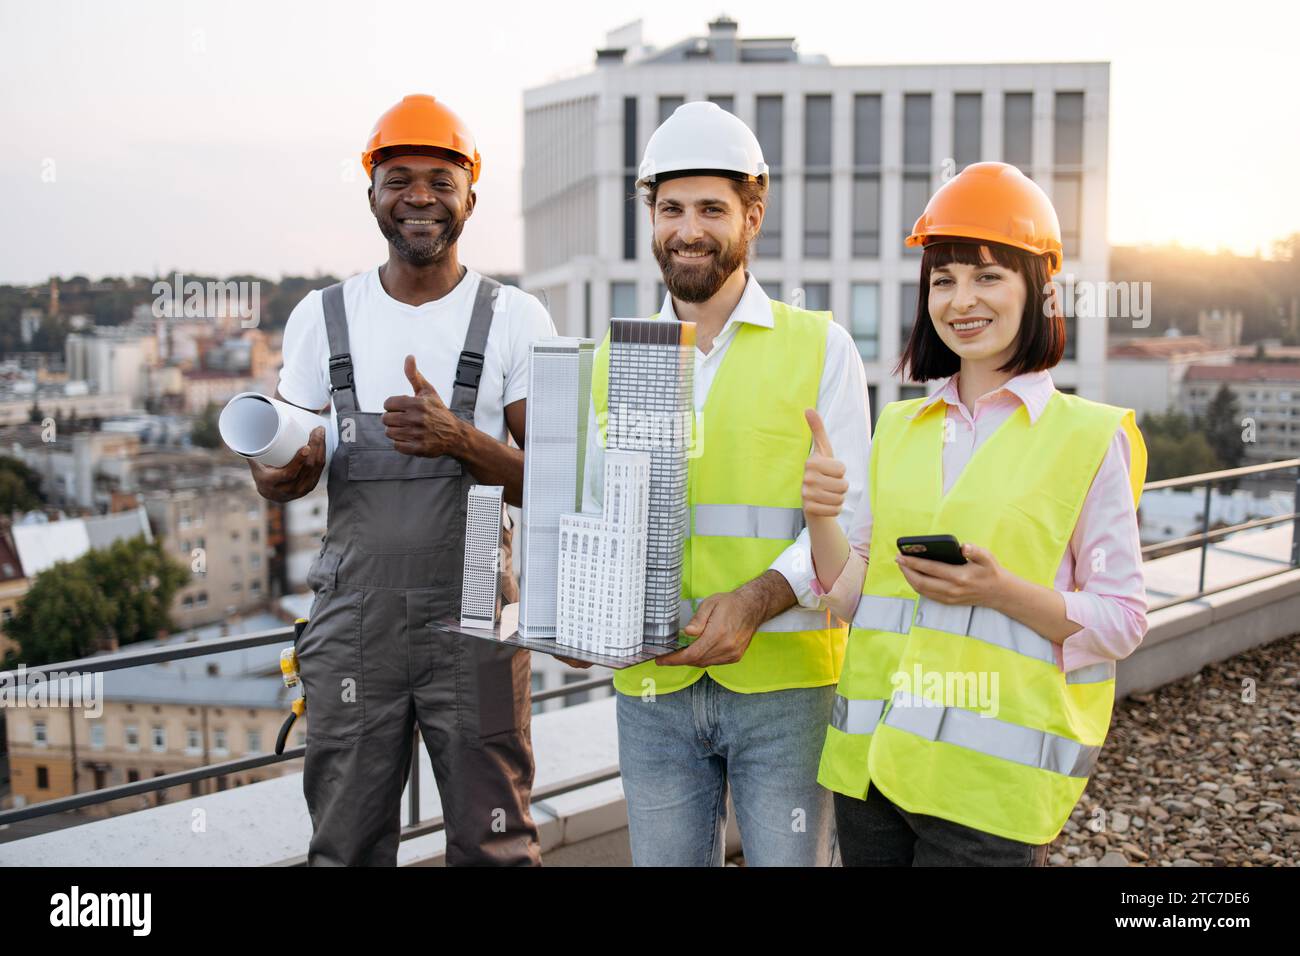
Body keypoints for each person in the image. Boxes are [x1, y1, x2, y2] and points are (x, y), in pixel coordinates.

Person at [806, 161, 1148, 866]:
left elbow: (1123, 620)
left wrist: (1002, 593)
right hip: (873, 769)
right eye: (943, 280)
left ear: (1036, 288)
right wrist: (820, 515)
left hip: (988, 789)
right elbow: (851, 600)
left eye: (988, 276)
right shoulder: (899, 427)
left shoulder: (1089, 438)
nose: (962, 300)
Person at [249, 94, 555, 866]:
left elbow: (558, 485)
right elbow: (278, 473)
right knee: (346, 846)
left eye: (439, 179)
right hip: (355, 629)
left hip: (478, 623)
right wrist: (281, 472)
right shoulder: (323, 318)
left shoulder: (516, 318)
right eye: (398, 178)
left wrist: (462, 442)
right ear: (374, 196)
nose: (418, 195)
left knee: (497, 846)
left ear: (470, 198)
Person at [568, 102, 871, 866]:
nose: (688, 229)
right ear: (651, 217)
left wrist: (755, 599)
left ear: (753, 216)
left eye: (712, 208)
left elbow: (853, 523)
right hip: (651, 688)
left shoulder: (821, 349)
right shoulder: (612, 357)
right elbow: (599, 515)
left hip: (786, 689)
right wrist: (573, 608)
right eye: (671, 208)